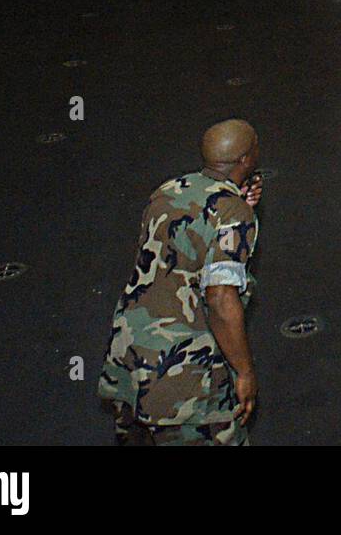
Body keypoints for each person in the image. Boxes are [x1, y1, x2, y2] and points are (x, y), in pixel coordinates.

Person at [99, 119, 263, 445]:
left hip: (129, 356)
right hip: (182, 376)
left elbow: (179, 250)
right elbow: (219, 299)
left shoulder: (168, 190)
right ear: (246, 158)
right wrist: (244, 372)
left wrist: (235, 205)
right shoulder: (234, 216)